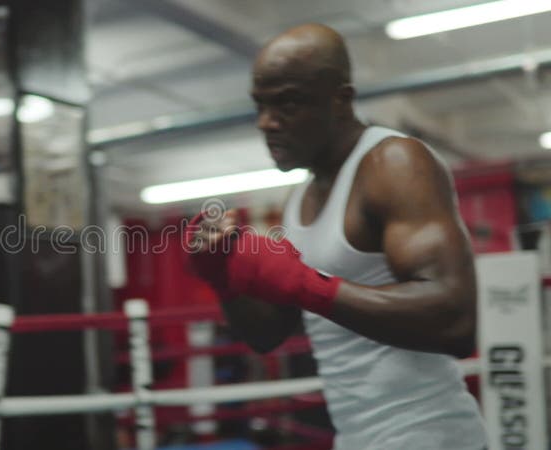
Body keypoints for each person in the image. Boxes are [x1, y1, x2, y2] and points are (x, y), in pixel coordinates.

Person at [187, 23, 487, 449]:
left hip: (429, 436)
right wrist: (224, 278)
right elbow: (268, 335)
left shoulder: (393, 163)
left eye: (287, 103)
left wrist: (309, 286)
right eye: (260, 105)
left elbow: (456, 322)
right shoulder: (299, 200)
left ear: (341, 99)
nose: (266, 123)